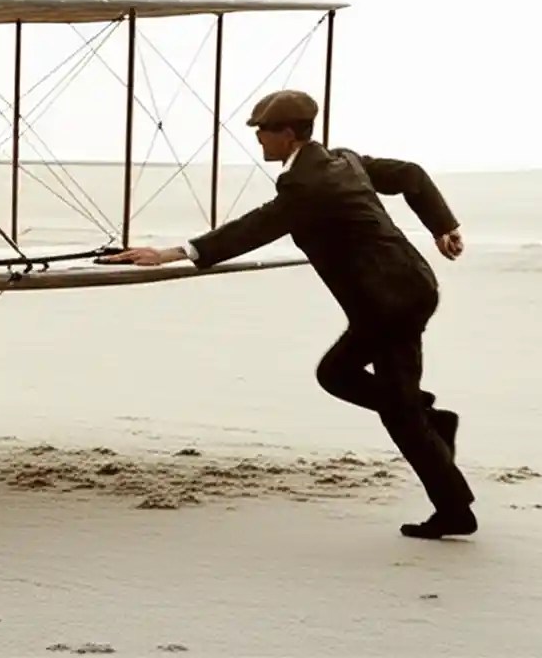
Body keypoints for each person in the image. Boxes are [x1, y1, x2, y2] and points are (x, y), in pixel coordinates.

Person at [99, 89, 476, 540]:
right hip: (407, 288)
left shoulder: (309, 185)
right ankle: (433, 429)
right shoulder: (344, 160)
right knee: (344, 377)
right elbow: (411, 176)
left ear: (289, 135)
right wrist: (444, 227)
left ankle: (451, 498)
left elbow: (256, 226)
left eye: (263, 131)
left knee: (388, 405)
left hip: (388, 302)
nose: (258, 139)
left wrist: (172, 253)